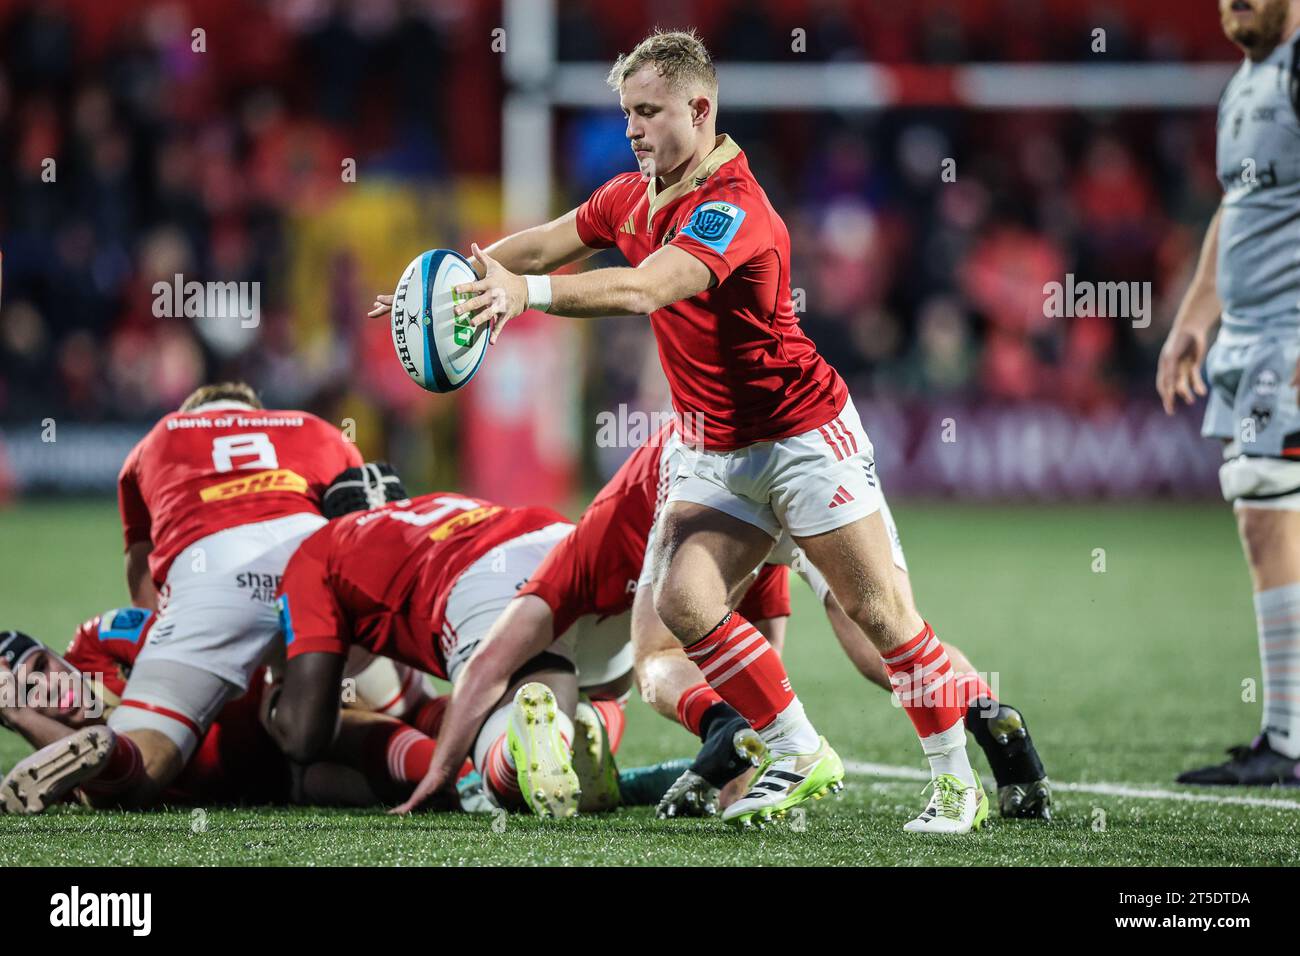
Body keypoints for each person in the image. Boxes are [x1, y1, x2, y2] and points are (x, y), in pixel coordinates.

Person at [373, 30, 987, 831]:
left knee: (880, 617)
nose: (632, 129)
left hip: (800, 436)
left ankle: (957, 783)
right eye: (627, 112)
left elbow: (641, 290)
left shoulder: (734, 209)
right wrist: (453, 283)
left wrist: (529, 296)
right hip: (714, 451)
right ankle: (799, 751)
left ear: (699, 109)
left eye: (649, 112)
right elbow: (547, 242)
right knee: (686, 602)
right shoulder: (633, 194)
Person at [0, 381, 363, 814]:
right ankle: (448, 751)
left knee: (137, 770)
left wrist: (202, 657)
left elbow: (145, 587)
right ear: (256, 410)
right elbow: (360, 526)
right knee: (366, 712)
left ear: (192, 413)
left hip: (214, 569)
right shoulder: (318, 430)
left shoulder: (156, 439)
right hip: (316, 556)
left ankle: (121, 755)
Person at [1157, 0, 1300, 785]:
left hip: (1290, 330)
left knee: (1268, 495)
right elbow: (1237, 208)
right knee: (1263, 505)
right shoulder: (1245, 83)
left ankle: (1287, 740)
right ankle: (1286, 735)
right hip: (1249, 334)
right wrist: (1194, 318)